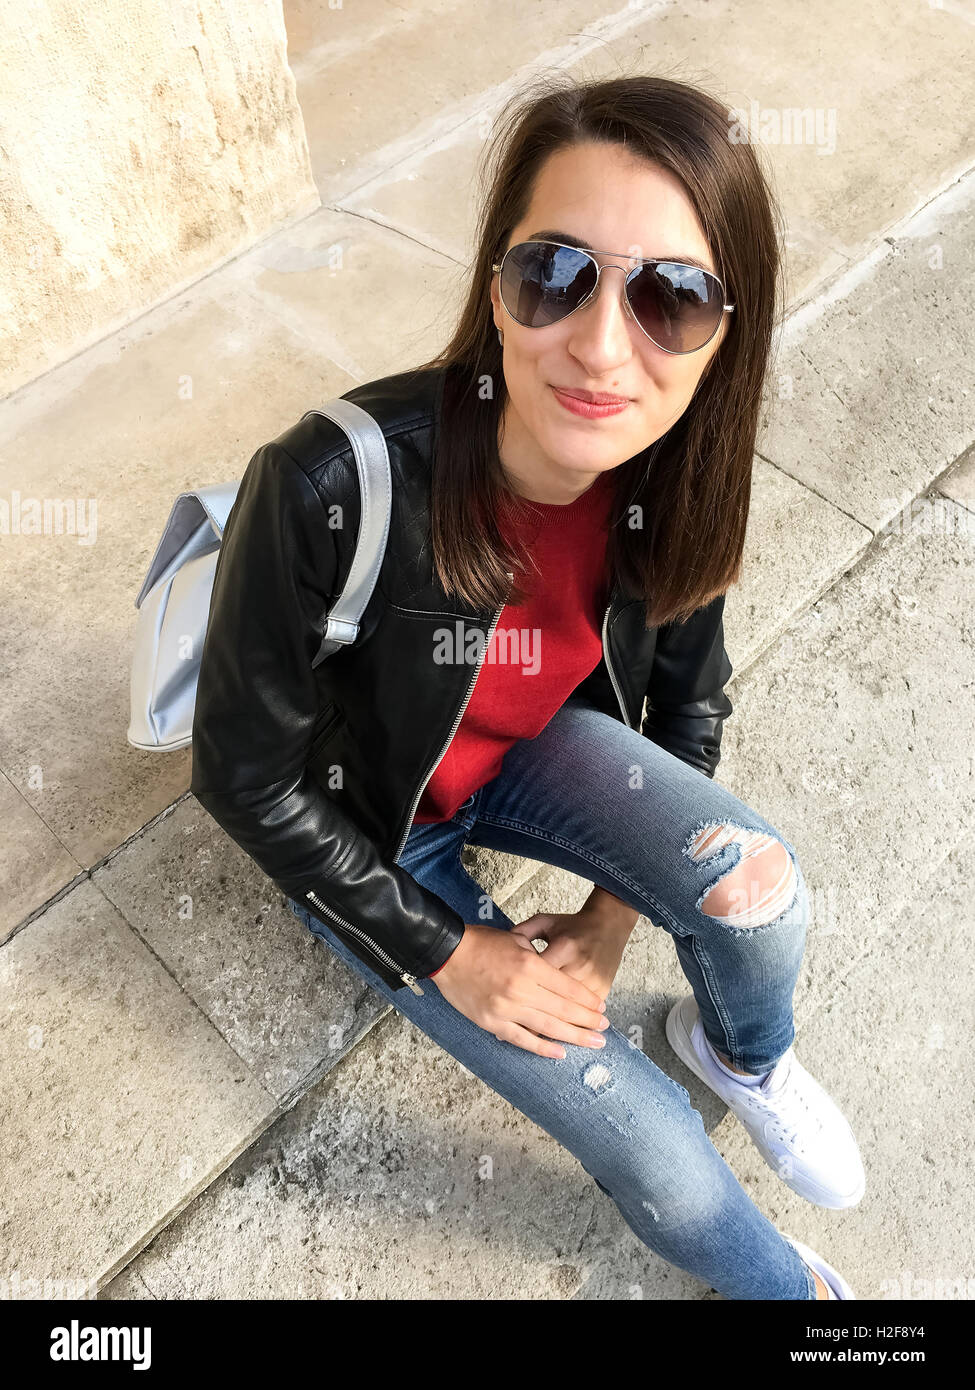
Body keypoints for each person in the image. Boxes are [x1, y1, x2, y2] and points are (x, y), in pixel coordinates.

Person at [191, 74, 864, 1300]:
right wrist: (454, 950)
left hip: (532, 749)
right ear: (497, 291)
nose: (604, 346)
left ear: (728, 332)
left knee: (763, 897)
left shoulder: (671, 469)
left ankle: (742, 1058)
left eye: (673, 297)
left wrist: (612, 916)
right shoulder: (328, 484)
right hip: (376, 827)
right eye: (556, 274)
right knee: (668, 1168)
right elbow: (243, 776)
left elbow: (689, 704)